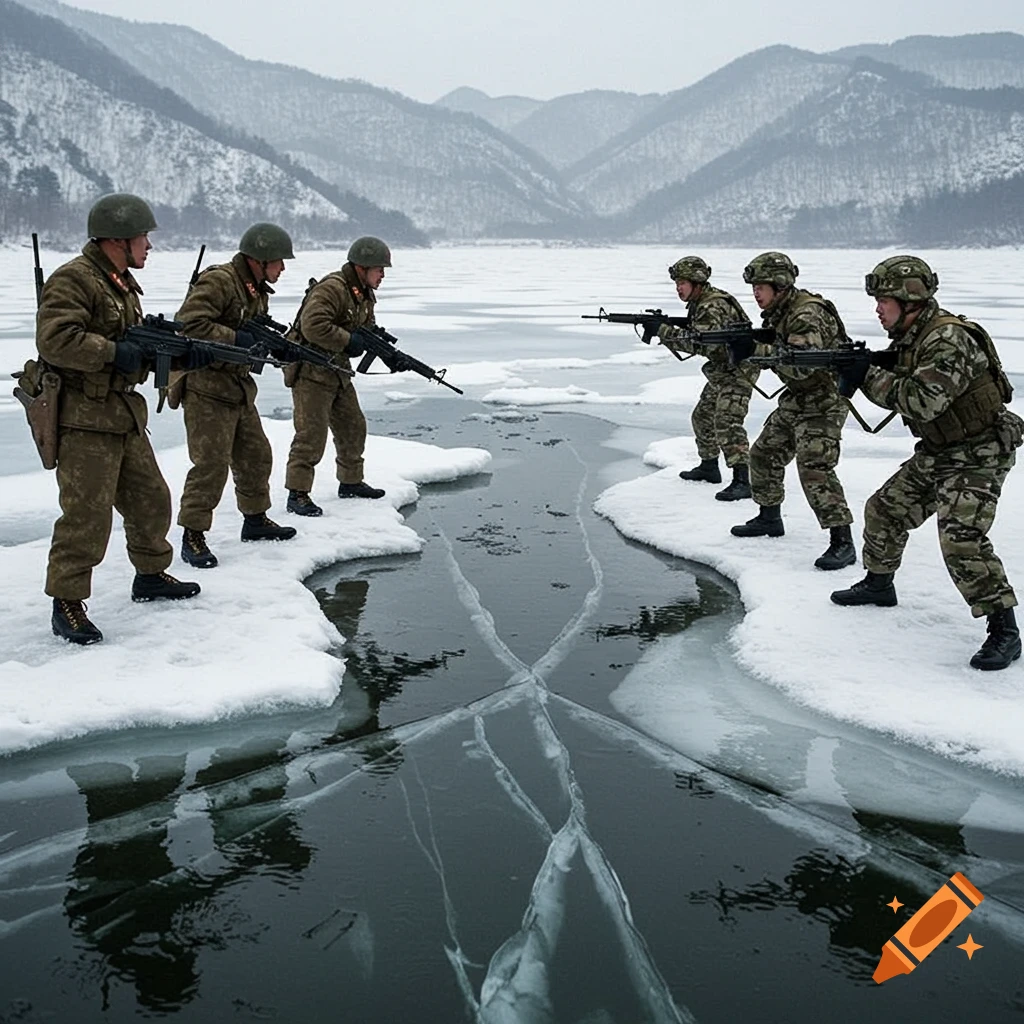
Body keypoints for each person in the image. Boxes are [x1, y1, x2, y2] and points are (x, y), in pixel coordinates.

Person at [831, 256, 1023, 671]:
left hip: (979, 453)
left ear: (909, 299)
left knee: (961, 539)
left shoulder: (948, 339)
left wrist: (865, 376)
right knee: (884, 510)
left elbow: (922, 400)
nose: (877, 309)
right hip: (941, 450)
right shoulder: (913, 335)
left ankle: (1004, 630)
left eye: (883, 300)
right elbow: (903, 372)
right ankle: (879, 584)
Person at [34, 193, 200, 645]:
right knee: (86, 515)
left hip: (122, 415)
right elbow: (55, 340)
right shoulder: (75, 279)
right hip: (84, 419)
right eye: (144, 237)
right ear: (117, 239)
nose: (149, 246)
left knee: (152, 500)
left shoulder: (119, 281)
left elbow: (131, 353)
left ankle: (150, 574)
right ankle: (66, 602)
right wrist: (114, 351)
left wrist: (177, 358)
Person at [174, 223, 297, 568]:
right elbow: (189, 323)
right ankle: (193, 535)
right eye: (278, 261)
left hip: (237, 388)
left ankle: (255, 520)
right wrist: (236, 339)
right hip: (206, 388)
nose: (283, 269)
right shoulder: (221, 281)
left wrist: (275, 351)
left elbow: (251, 333)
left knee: (256, 455)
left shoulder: (255, 288)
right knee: (210, 465)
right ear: (259, 259)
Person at [730, 252, 856, 571]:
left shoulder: (807, 313)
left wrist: (755, 350)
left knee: (815, 465)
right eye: (753, 286)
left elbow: (802, 364)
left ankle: (843, 542)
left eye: (761, 286)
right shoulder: (780, 312)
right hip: (799, 397)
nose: (756, 293)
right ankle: (769, 518)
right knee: (763, 453)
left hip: (825, 399)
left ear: (781, 285)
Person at [283, 236, 391, 515]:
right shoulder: (332, 288)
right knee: (310, 435)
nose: (382, 275)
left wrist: (386, 353)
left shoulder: (363, 293)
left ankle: (351, 481)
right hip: (311, 370)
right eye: (379, 269)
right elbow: (313, 326)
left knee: (353, 427)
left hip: (338, 371)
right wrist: (348, 341)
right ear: (362, 267)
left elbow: (365, 328)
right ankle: (297, 493)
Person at [657, 256, 760, 501]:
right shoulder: (702, 302)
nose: (678, 288)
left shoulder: (712, 305)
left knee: (727, 421)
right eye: (677, 283)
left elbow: (707, 346)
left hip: (739, 370)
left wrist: (664, 332)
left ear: (697, 282)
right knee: (702, 416)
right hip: (724, 369)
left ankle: (742, 480)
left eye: (683, 282)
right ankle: (709, 467)